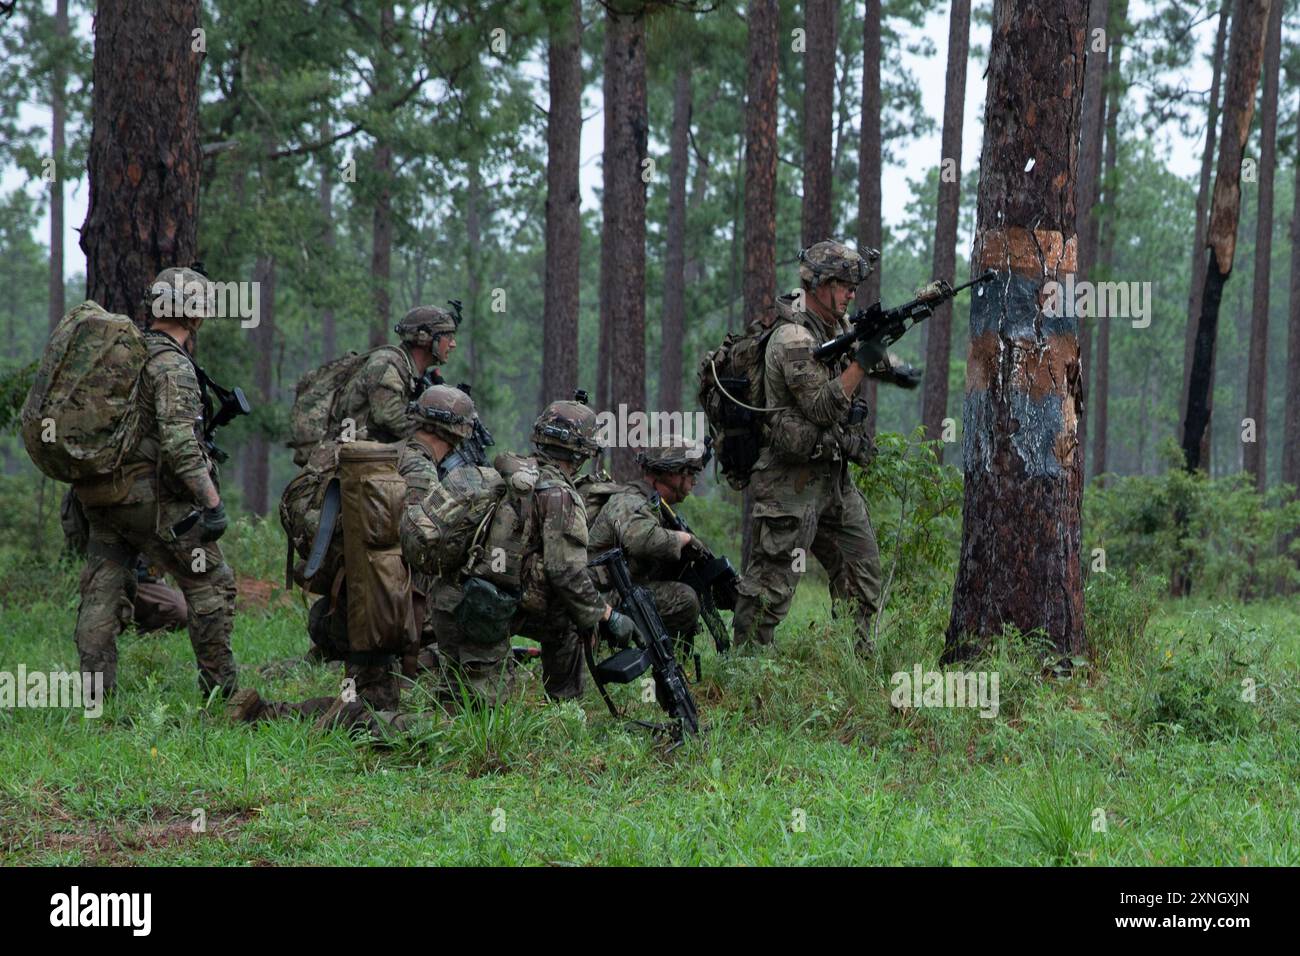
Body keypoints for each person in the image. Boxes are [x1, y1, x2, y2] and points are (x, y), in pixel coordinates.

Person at [71, 267, 237, 697]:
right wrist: (212, 504)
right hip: (152, 502)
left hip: (104, 497)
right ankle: (220, 694)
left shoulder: (122, 355)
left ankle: (94, 698)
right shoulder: (171, 367)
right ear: (196, 315)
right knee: (211, 582)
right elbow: (181, 445)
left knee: (102, 590)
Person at [731, 240, 886, 653]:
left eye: (854, 285)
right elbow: (820, 407)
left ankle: (857, 662)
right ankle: (744, 668)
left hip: (833, 477)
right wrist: (863, 361)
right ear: (817, 284)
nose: (851, 292)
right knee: (772, 581)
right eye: (842, 284)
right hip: (789, 481)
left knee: (862, 570)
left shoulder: (836, 328)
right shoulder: (793, 338)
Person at [514, 400, 635, 700]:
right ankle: (564, 705)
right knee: (570, 618)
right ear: (580, 451)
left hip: (488, 591)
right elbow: (566, 573)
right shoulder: (560, 494)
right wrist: (605, 615)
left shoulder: (518, 473)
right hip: (510, 602)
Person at [587, 432, 708, 656]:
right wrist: (685, 539)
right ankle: (629, 646)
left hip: (619, 591)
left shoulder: (656, 506)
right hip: (597, 597)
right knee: (684, 599)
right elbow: (643, 541)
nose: (693, 481)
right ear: (671, 473)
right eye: (689, 472)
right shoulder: (629, 500)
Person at [61, 489, 188, 633]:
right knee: (97, 629)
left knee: (180, 610)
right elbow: (77, 538)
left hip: (145, 580)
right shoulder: (94, 489)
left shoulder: (157, 490)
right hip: (106, 573)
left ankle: (140, 632)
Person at [331, 304, 458, 444]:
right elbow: (389, 416)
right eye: (448, 336)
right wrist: (439, 434)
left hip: (373, 451)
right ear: (425, 338)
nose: (453, 344)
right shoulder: (386, 364)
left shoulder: (415, 374)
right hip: (348, 452)